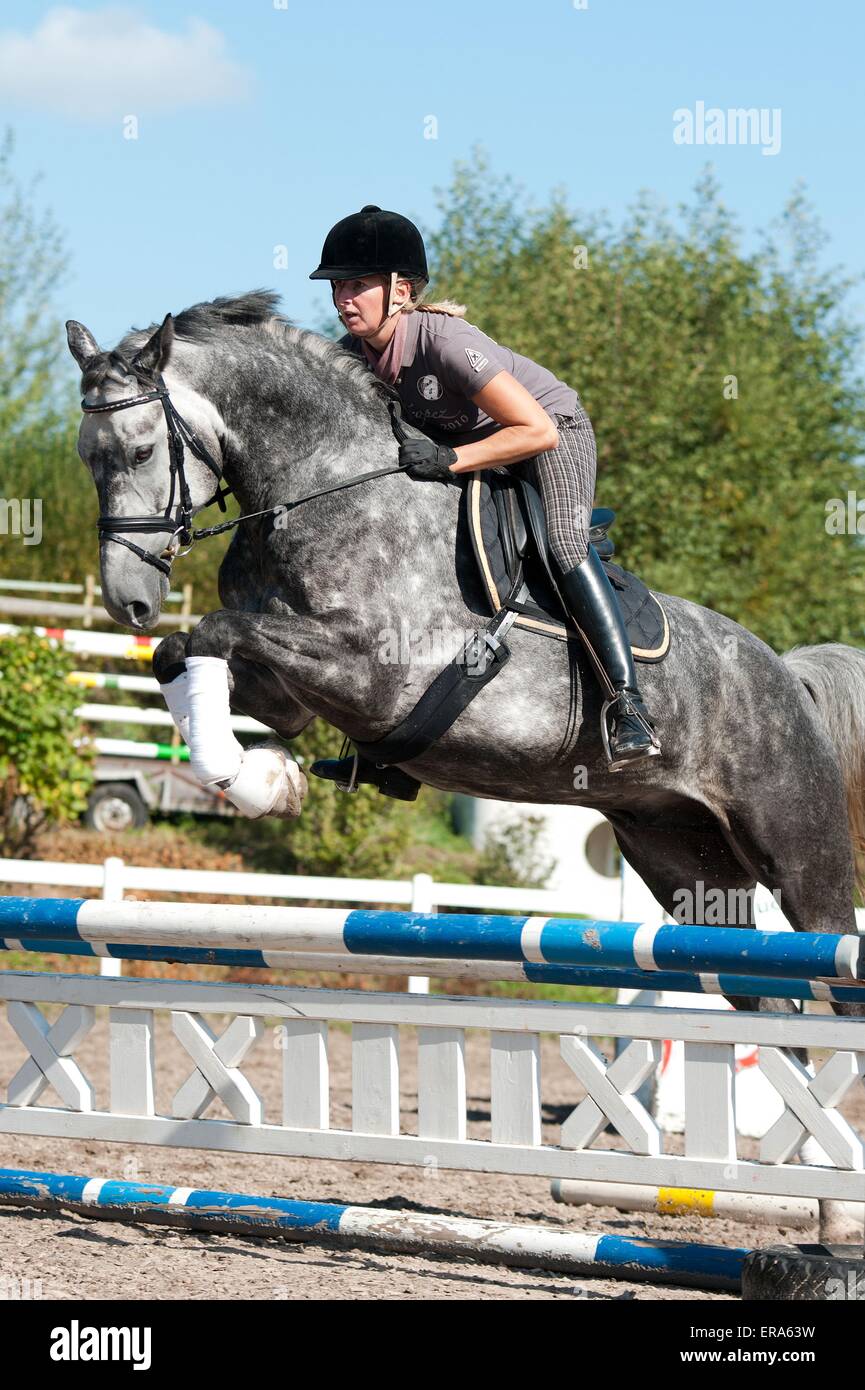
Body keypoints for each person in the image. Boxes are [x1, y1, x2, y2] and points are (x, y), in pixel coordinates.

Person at [308, 204, 659, 792]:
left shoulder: (442, 340)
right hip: (474, 449)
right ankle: (385, 753)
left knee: (563, 544)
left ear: (402, 291)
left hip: (549, 435)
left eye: (358, 284)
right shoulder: (351, 357)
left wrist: (449, 460)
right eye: (338, 285)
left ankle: (627, 705)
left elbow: (535, 431)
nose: (344, 298)